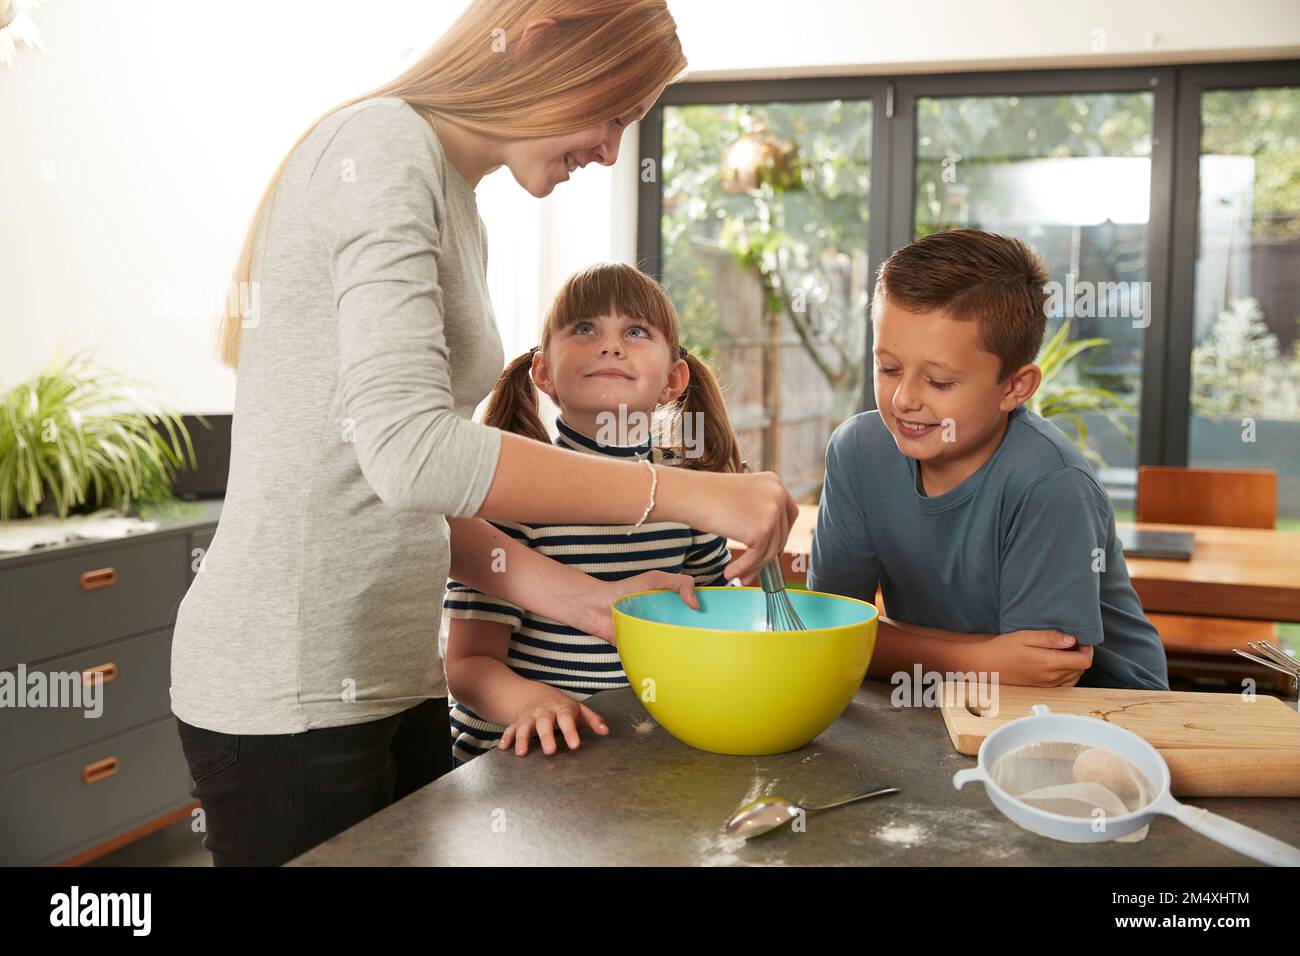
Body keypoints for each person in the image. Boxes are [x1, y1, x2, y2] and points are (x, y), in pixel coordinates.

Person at [170, 0, 797, 867]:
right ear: (542, 37)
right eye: (611, 111)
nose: (612, 150)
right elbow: (415, 453)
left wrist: (579, 601)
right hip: (289, 684)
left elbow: (411, 493)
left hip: (389, 674)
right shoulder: (382, 147)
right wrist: (688, 488)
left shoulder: (455, 196)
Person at [808, 229, 1169, 690]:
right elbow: (827, 635)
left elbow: (1040, 675)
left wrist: (885, 641)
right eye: (889, 368)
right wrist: (983, 658)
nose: (903, 399)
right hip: (946, 698)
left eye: (939, 381)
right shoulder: (857, 451)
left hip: (1113, 715)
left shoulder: (1050, 483)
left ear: (1014, 388)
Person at [444, 263, 744, 764]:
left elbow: (715, 626)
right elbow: (469, 664)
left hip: (640, 758)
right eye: (585, 328)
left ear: (673, 380)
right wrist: (530, 703)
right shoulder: (511, 498)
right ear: (542, 373)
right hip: (527, 759)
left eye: (636, 332)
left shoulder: (691, 503)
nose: (611, 346)